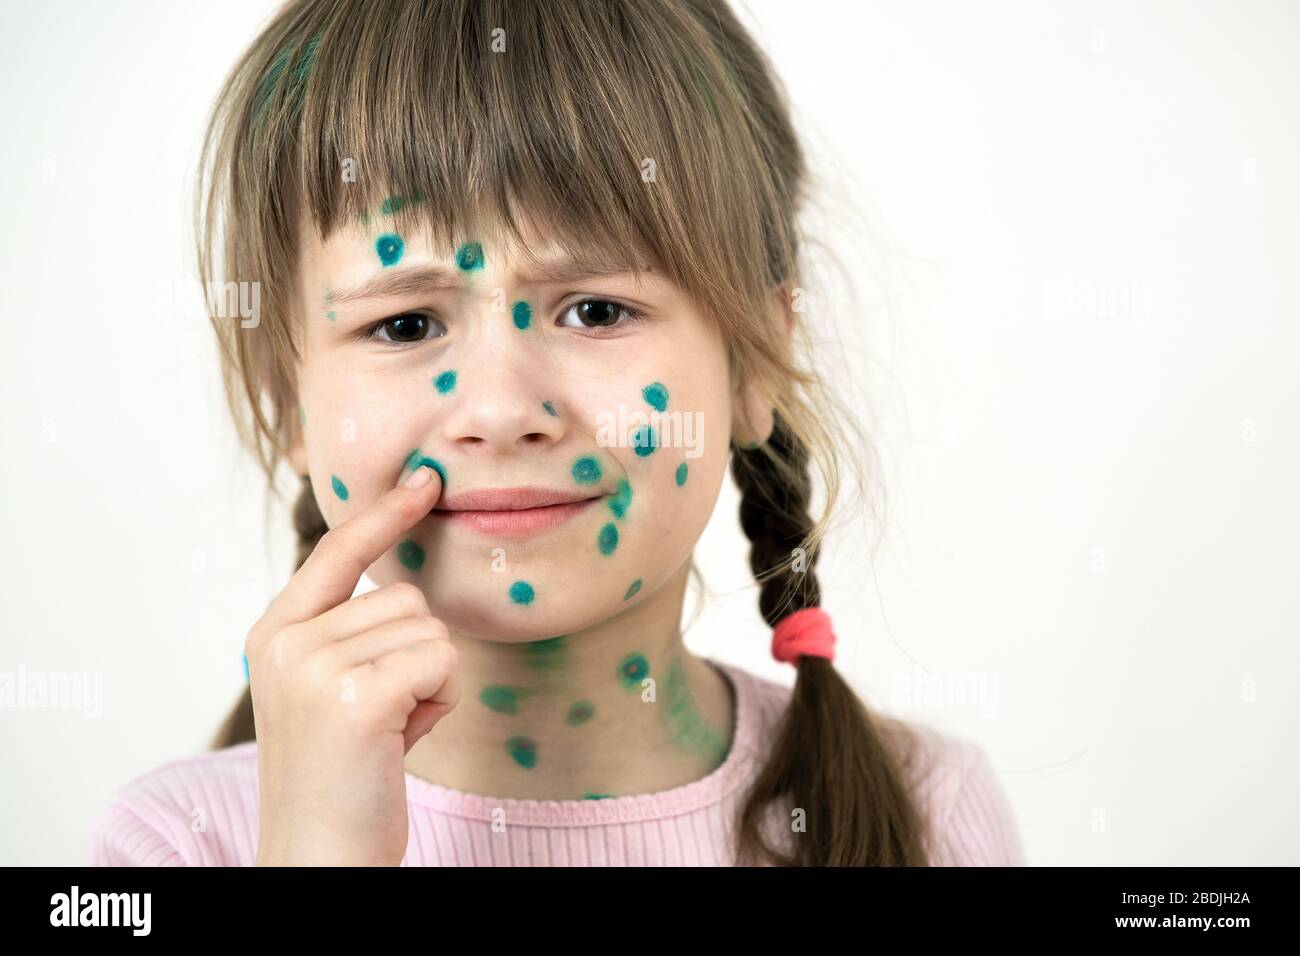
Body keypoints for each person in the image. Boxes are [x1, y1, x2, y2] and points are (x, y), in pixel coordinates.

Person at [87, 0, 1025, 866]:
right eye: (406, 324)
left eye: (596, 310)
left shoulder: (927, 814)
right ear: (287, 401)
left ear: (753, 364)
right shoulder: (181, 844)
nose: (500, 408)